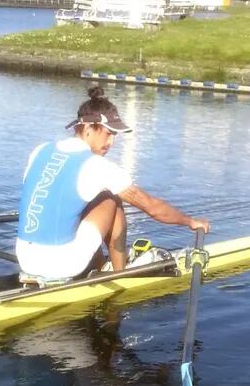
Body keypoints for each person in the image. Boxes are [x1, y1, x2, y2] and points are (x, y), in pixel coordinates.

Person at [15, 85, 210, 281]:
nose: (111, 143)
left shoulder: (40, 150)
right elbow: (152, 207)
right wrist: (190, 221)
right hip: (61, 265)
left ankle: (100, 266)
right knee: (111, 198)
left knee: (82, 198)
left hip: (24, 256)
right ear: (89, 129)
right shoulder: (97, 166)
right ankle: (120, 274)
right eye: (108, 134)